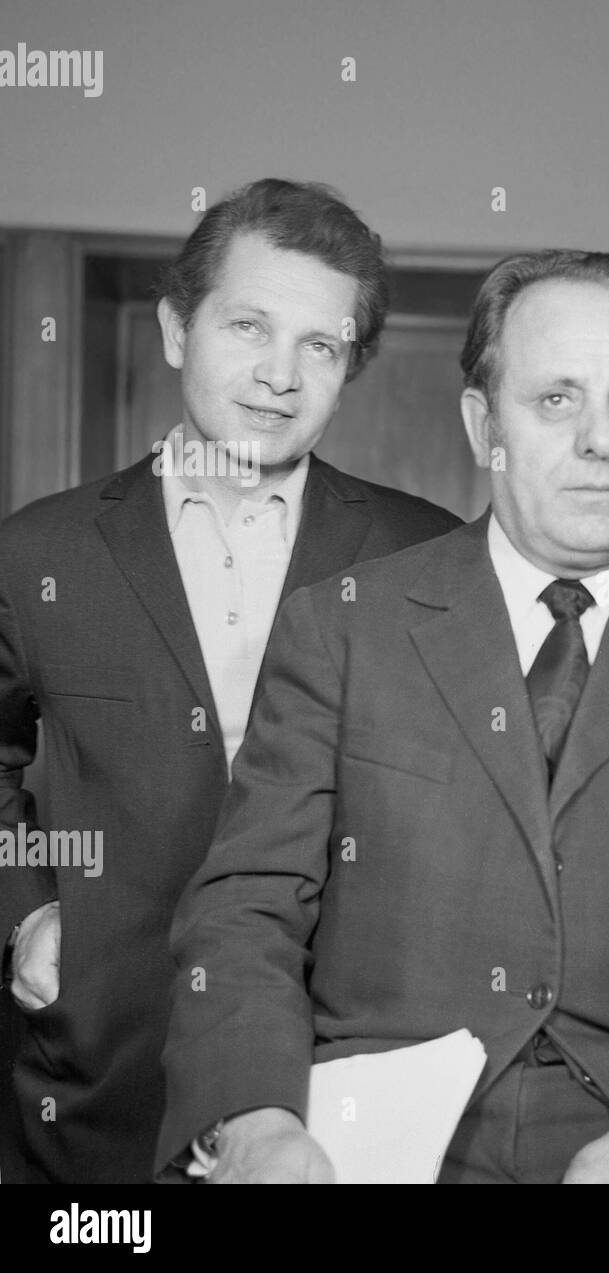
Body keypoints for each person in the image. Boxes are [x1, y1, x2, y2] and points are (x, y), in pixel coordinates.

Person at [155, 249, 609, 1184]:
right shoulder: (343, 628)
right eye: (558, 400)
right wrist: (260, 1124)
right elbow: (246, 909)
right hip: (374, 1136)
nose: (602, 440)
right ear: (484, 423)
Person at [0, 178, 461, 1183]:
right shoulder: (38, 552)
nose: (278, 375)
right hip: (95, 1079)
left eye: (320, 346)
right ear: (175, 328)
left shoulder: (426, 556)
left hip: (350, 1078)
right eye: (248, 325)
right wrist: (24, 912)